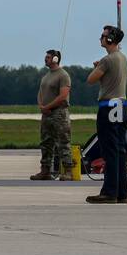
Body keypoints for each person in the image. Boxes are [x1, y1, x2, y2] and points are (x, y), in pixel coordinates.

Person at [86, 25, 127, 204]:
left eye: (103, 36)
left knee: (109, 151)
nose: (101, 38)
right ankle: (122, 192)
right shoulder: (123, 58)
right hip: (121, 105)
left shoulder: (107, 59)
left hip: (108, 106)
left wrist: (97, 67)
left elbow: (90, 80)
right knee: (119, 150)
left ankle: (109, 191)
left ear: (110, 39)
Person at [31, 49, 72, 180]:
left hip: (59, 114)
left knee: (63, 143)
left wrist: (48, 107)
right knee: (46, 143)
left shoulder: (63, 75)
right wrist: (41, 106)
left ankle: (68, 172)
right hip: (46, 114)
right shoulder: (46, 76)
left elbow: (63, 96)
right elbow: (40, 92)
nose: (45, 59)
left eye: (48, 57)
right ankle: (45, 171)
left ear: (55, 59)